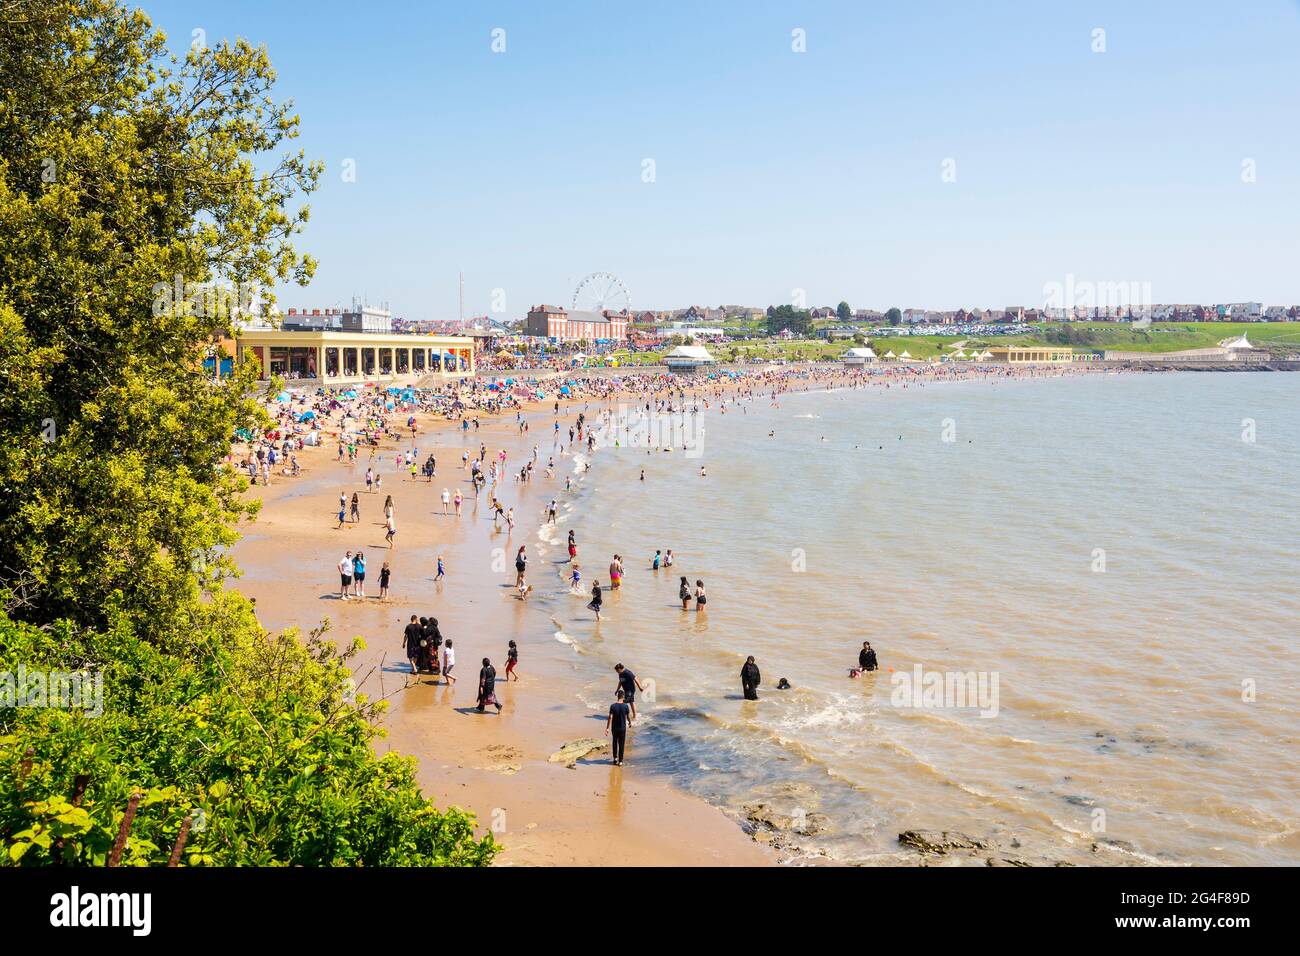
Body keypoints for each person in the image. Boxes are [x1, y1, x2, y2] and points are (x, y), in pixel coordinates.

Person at [605, 688, 632, 766]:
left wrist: (607, 728)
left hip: (614, 728)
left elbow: (610, 717)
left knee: (614, 742)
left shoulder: (613, 706)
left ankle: (615, 758)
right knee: (621, 744)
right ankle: (620, 761)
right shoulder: (626, 706)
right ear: (623, 696)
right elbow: (628, 717)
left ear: (617, 696)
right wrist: (630, 723)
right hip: (622, 728)